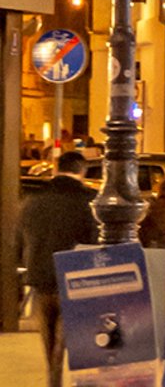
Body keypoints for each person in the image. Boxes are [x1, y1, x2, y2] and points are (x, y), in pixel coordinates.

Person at [20, 150, 97, 387]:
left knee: (48, 333)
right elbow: (94, 239)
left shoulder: (34, 200)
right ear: (81, 170)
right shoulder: (89, 200)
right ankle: (56, 377)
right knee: (64, 336)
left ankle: (52, 378)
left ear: (56, 168)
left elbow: (24, 235)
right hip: (74, 276)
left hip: (41, 275)